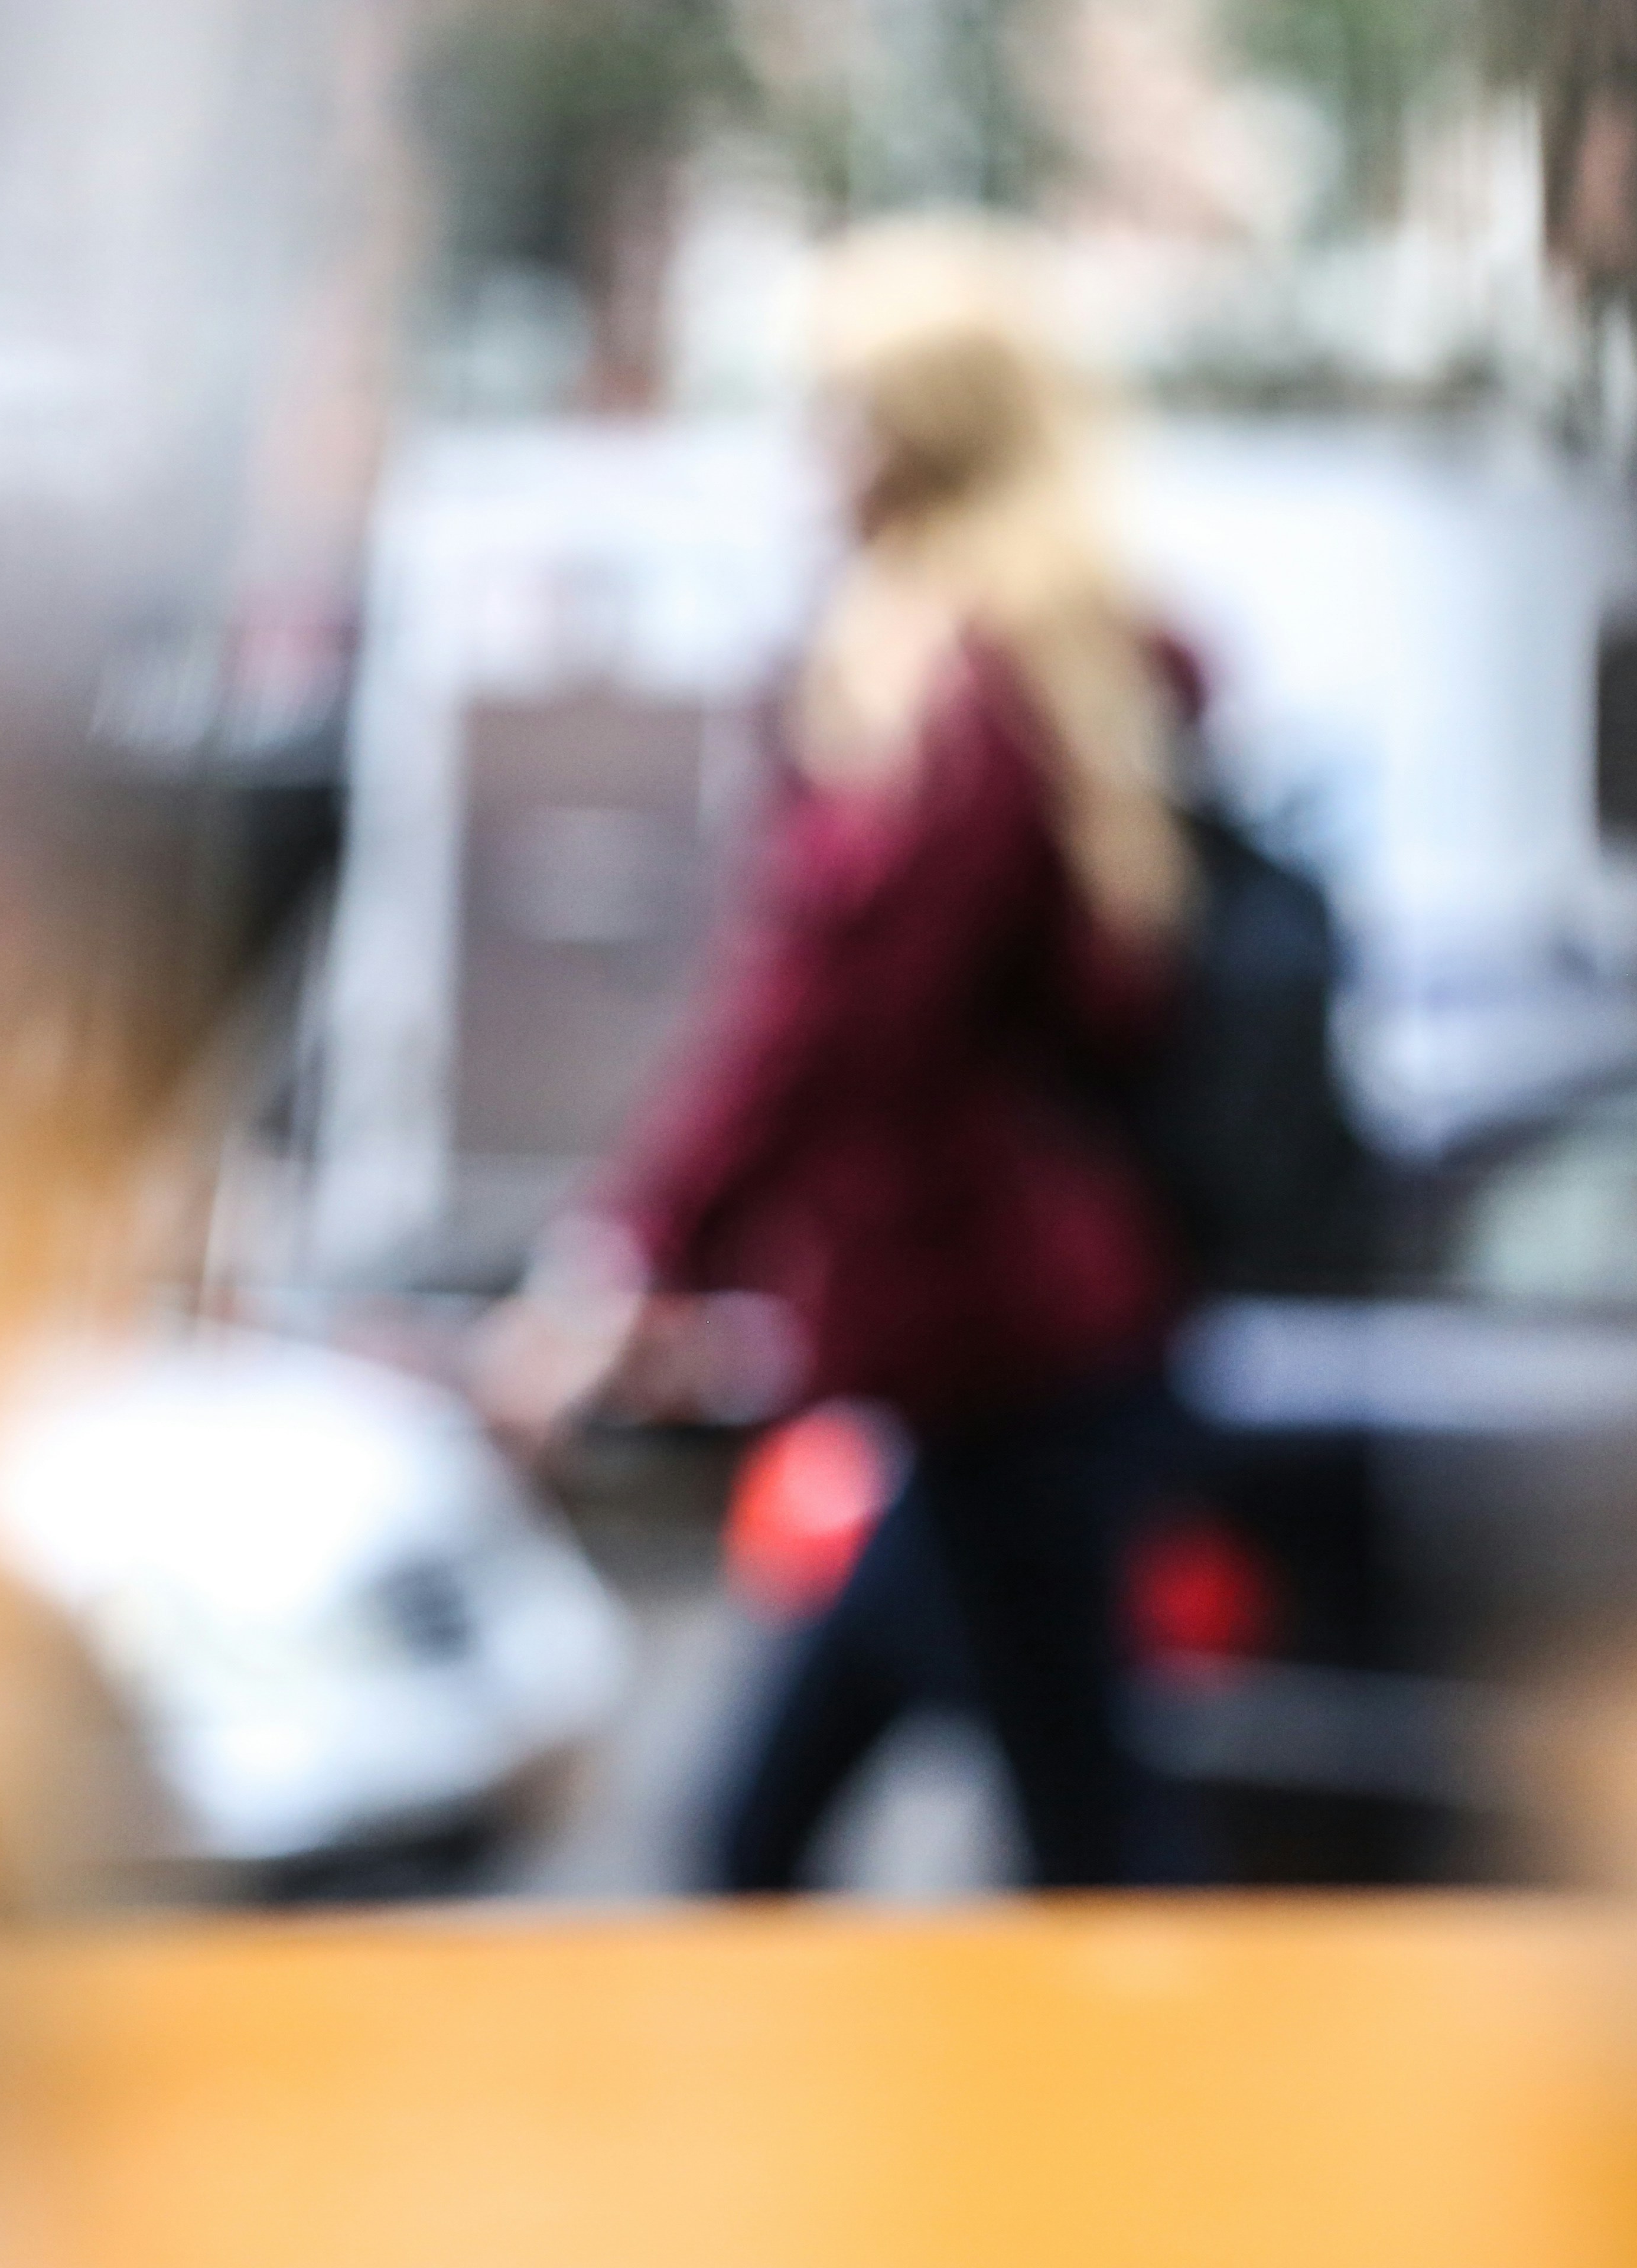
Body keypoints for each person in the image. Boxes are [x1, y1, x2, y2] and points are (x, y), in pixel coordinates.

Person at [476, 219, 1203, 1891]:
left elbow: (825, 1015)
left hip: (1005, 1354)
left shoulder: (951, 699)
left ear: (910, 439)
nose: (811, 461)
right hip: (1004, 1357)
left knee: (1055, 1843)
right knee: (832, 1828)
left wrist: (626, 1260)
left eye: (835, 416)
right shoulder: (1059, 670)